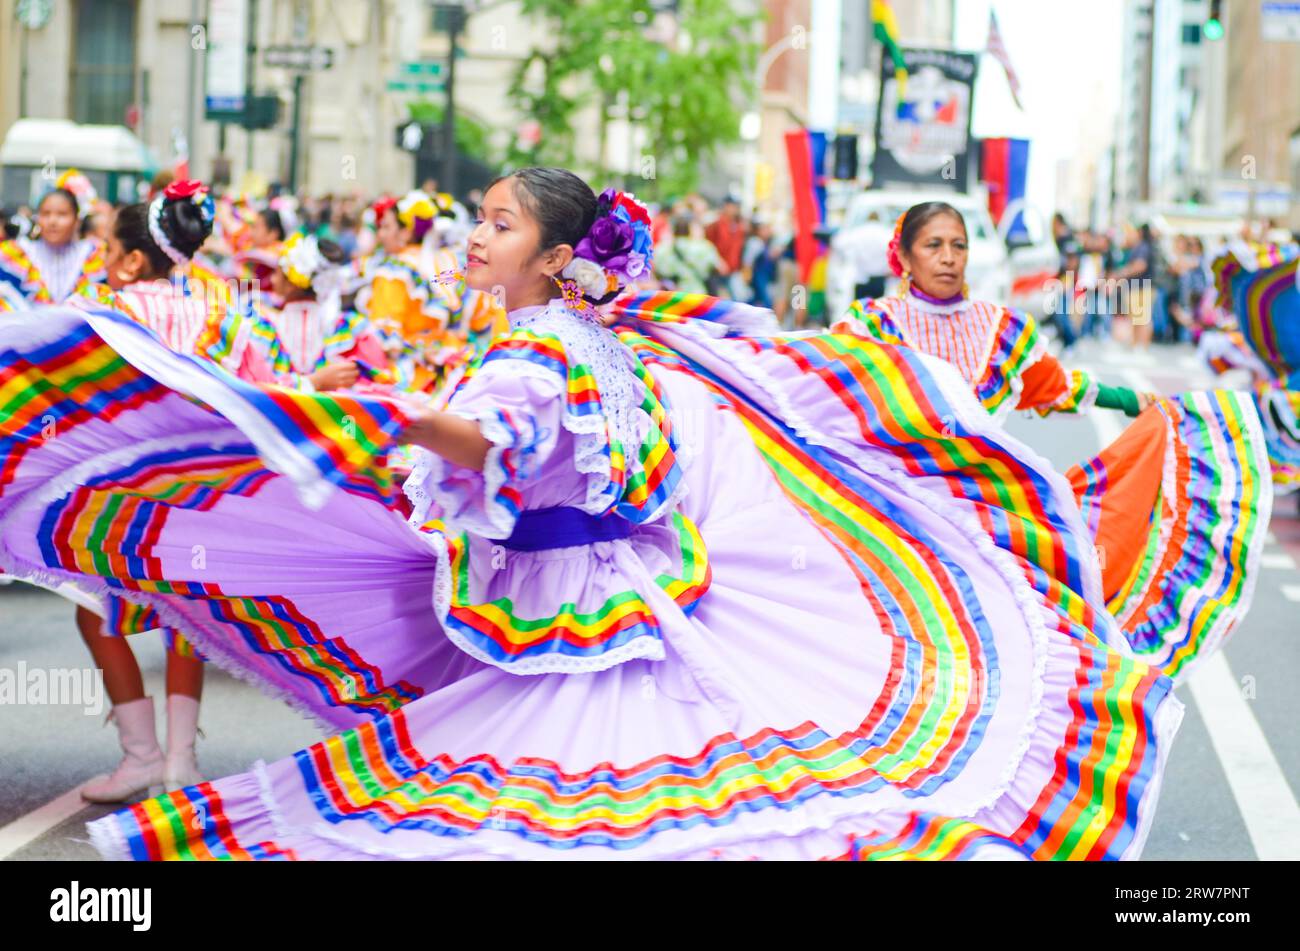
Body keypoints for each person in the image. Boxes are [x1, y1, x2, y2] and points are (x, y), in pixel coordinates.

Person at [1, 167, 1233, 861]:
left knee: (515, 808)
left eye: (495, 224)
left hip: (591, 626)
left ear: (549, 257)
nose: (471, 238)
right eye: (475, 219)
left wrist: (379, 424)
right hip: (568, 602)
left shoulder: (540, 352)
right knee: (585, 810)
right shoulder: (585, 330)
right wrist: (360, 409)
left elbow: (496, 431)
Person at [831, 201, 1271, 681]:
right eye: (932, 246)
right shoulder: (870, 327)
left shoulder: (999, 329)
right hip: (902, 509)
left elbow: (1059, 385)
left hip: (985, 509)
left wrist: (1137, 401)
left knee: (999, 645)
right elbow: (826, 396)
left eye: (958, 245)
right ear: (905, 257)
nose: (948, 258)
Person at [0, 176, 106, 306]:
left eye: (62, 214)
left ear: (77, 220)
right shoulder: (15, 253)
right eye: (46, 214)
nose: (52, 221)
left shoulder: (95, 255)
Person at [655, 214, 723, 294]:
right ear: (690, 228)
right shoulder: (704, 246)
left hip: (672, 295)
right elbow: (721, 268)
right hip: (698, 294)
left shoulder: (662, 248)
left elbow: (657, 269)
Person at [704, 197, 746, 298]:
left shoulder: (740, 225)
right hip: (718, 271)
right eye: (733, 206)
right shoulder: (716, 224)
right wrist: (717, 261)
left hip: (733, 270)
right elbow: (708, 245)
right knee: (719, 302)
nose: (735, 209)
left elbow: (740, 249)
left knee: (740, 298)